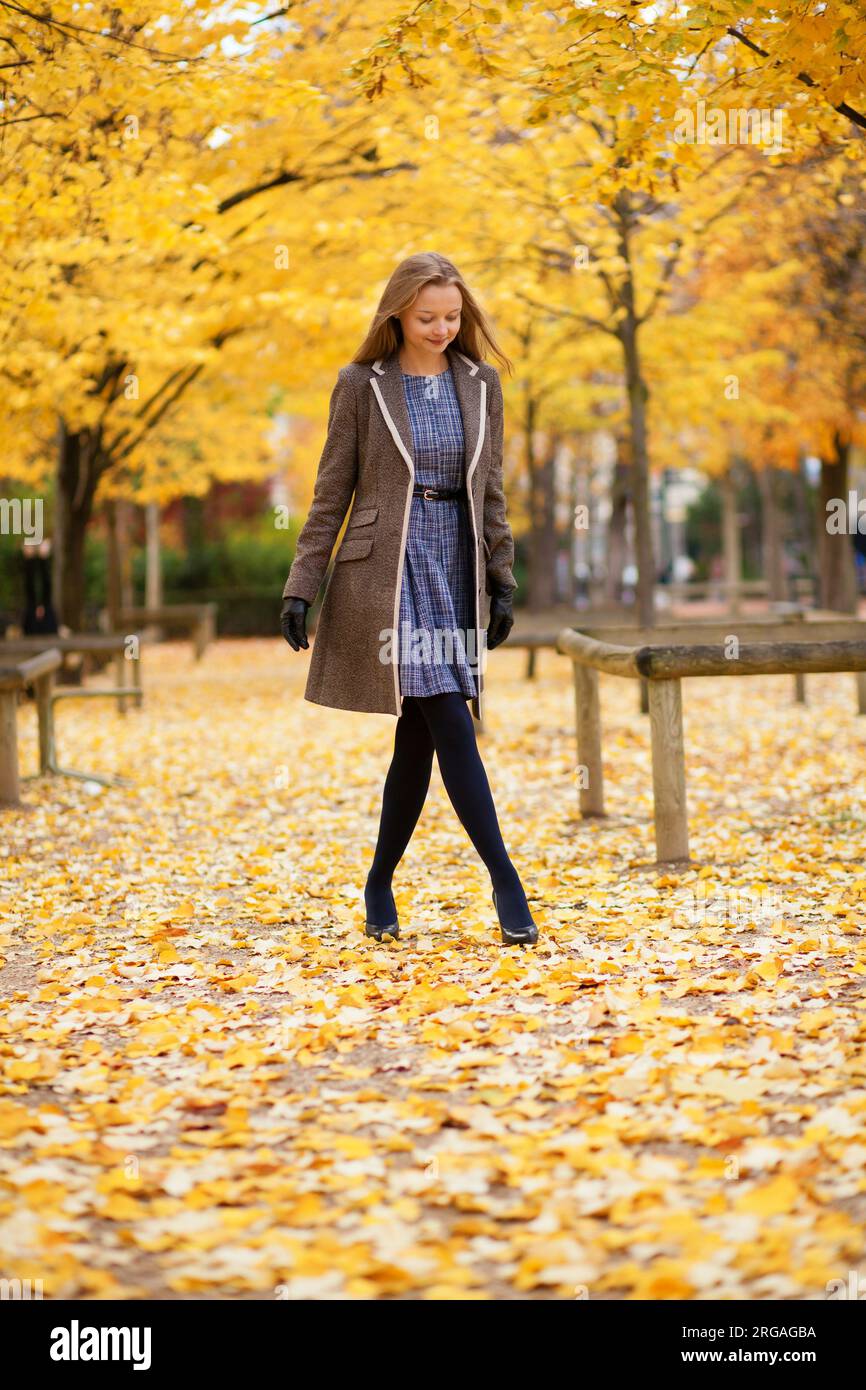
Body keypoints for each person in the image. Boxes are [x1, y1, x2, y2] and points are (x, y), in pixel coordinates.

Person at [280, 252, 538, 946]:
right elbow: (332, 490)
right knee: (451, 720)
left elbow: (491, 491)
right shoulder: (362, 385)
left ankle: (378, 881)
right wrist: (303, 585)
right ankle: (506, 881)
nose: (442, 329)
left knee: (420, 735)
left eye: (453, 317)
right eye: (428, 317)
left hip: (455, 561)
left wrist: (502, 577)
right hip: (390, 572)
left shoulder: (481, 385)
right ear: (397, 311)